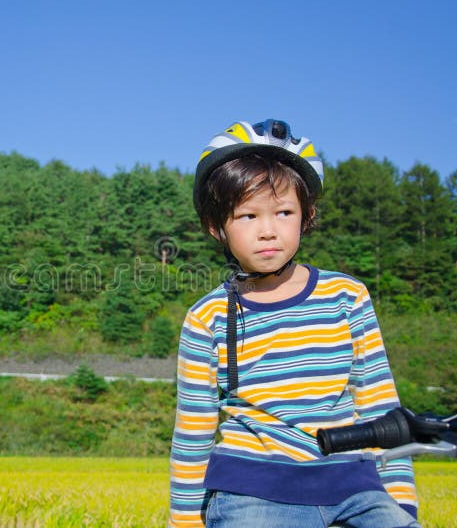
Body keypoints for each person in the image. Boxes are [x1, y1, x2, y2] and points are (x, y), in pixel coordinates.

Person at [168, 119, 418, 527]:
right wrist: (183, 521)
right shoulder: (207, 318)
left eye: (284, 212)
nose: (268, 230)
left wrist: (402, 507)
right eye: (247, 216)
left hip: (355, 488)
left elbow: (380, 407)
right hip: (252, 492)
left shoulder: (347, 297)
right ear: (216, 228)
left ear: (307, 216)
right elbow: (193, 433)